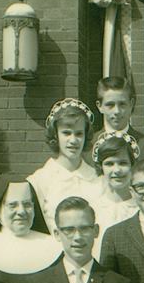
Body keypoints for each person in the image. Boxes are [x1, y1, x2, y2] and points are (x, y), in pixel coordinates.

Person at [27, 98, 101, 233]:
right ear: (56, 135)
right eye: (66, 133)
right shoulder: (39, 181)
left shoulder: (97, 178)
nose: (73, 140)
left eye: (79, 134)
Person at [89, 76, 144, 164]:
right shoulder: (89, 147)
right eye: (110, 105)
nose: (117, 111)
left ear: (131, 104)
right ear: (99, 106)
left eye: (122, 104)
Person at [89, 131, 140, 257]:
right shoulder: (93, 207)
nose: (116, 170)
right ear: (101, 167)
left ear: (132, 166)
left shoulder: (140, 207)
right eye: (109, 164)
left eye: (123, 163)